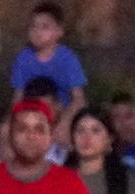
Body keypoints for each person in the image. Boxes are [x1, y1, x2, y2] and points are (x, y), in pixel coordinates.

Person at [11, 2, 87, 137]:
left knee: (65, 134)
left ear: (59, 31)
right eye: (33, 26)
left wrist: (65, 120)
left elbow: (78, 98)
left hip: (61, 114)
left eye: (44, 27)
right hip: (31, 114)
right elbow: (18, 96)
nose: (37, 32)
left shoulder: (67, 59)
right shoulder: (23, 59)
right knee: (6, 130)